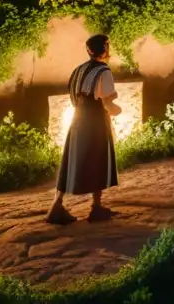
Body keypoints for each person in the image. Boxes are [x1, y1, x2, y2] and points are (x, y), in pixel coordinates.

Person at [46, 34, 122, 225]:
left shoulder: (78, 70)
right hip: (95, 120)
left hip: (78, 119)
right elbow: (106, 101)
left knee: (70, 159)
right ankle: (96, 208)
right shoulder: (104, 71)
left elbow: (73, 98)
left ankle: (57, 205)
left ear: (89, 50)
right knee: (98, 158)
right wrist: (116, 110)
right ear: (105, 49)